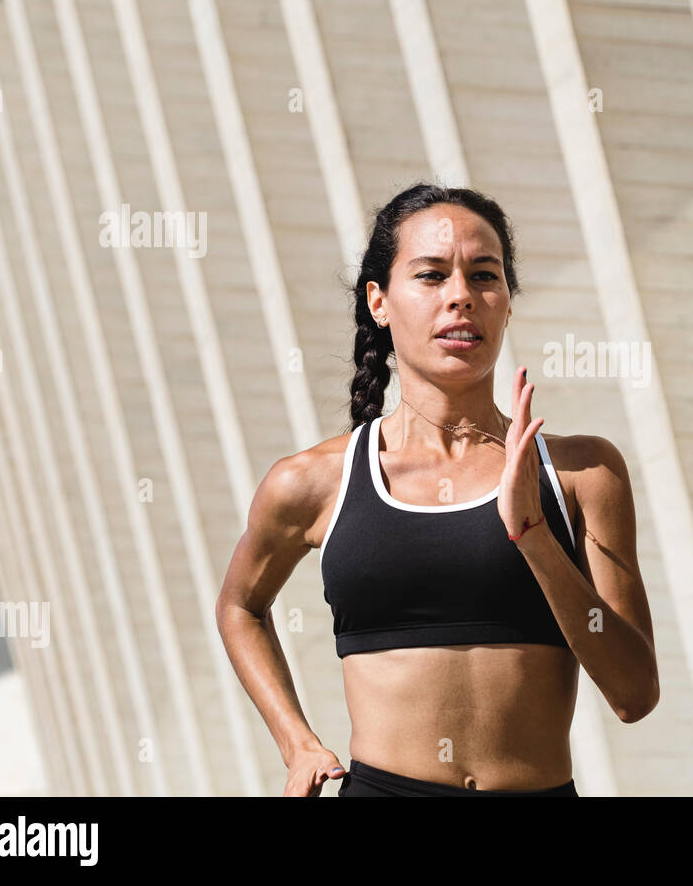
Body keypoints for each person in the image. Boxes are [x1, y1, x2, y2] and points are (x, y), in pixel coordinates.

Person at [215, 182, 658, 796]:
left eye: (484, 276)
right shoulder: (314, 482)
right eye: (430, 276)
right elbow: (240, 607)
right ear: (380, 302)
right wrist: (297, 743)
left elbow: (635, 695)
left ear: (506, 302)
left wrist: (534, 538)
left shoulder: (582, 474)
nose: (461, 297)